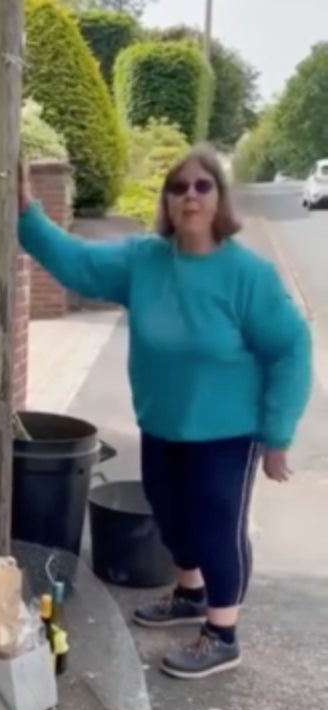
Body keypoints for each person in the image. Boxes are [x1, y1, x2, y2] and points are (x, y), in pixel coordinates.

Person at [17, 145, 311, 679]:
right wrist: (26, 215)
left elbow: (290, 348)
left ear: (219, 198)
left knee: (218, 527)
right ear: (167, 202)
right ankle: (190, 594)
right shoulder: (144, 262)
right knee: (170, 516)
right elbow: (78, 264)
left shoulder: (248, 275)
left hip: (229, 431)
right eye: (179, 187)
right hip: (163, 424)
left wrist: (277, 435)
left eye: (203, 186)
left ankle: (222, 634)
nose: (190, 196)